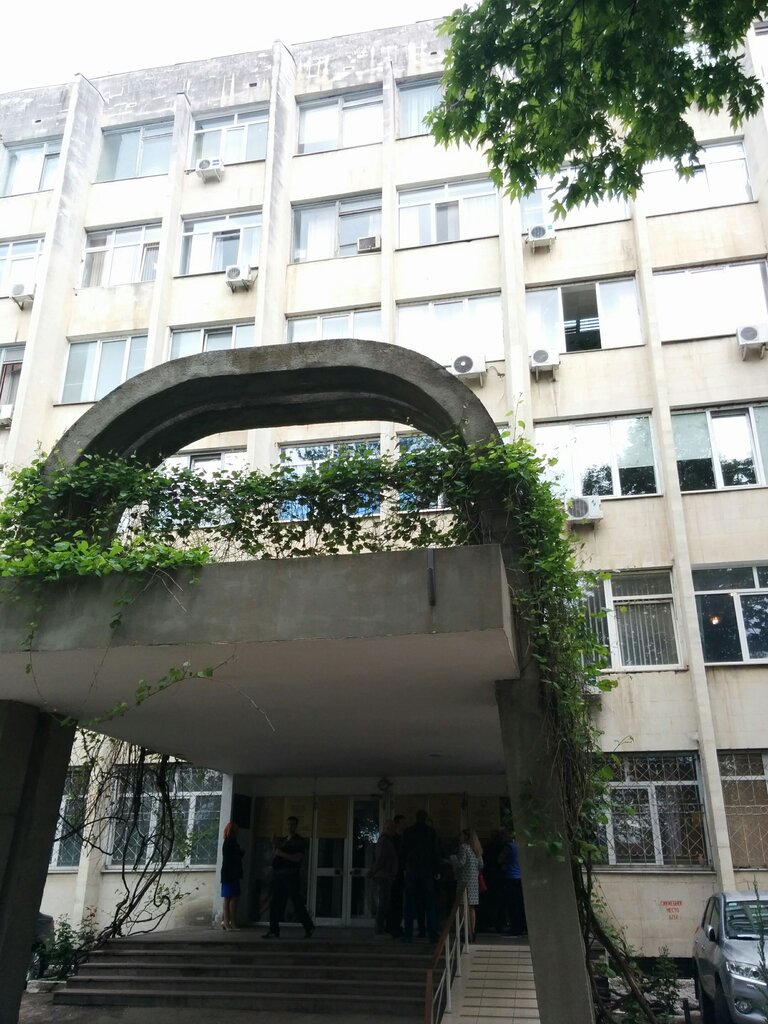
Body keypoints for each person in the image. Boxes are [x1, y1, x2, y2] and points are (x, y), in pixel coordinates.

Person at [263, 816, 315, 939]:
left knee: (296, 903)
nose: (289, 827)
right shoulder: (283, 840)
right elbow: (276, 855)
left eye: (292, 824)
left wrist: (281, 853)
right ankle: (273, 929)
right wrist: (273, 844)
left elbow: (297, 858)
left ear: (296, 826)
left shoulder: (299, 841)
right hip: (279, 876)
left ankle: (309, 927)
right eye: (288, 824)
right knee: (275, 903)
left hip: (291, 876)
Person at [400, 809, 441, 943]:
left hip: (411, 871)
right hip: (427, 871)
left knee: (409, 904)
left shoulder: (408, 832)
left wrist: (403, 868)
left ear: (416, 818)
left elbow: (402, 852)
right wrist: (437, 870)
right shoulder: (431, 832)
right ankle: (432, 934)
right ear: (426, 818)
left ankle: (408, 934)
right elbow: (435, 852)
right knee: (430, 904)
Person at [368, 819, 399, 936]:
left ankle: (380, 929)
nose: (395, 831)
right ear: (389, 829)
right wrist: (373, 871)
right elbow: (380, 859)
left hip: (385, 876)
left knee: (384, 904)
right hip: (383, 877)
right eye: (393, 828)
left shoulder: (386, 841)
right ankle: (379, 930)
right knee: (383, 904)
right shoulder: (384, 841)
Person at [455, 829, 484, 940]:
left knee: (462, 906)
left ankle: (465, 932)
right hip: (474, 882)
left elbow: (461, 863)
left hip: (464, 881)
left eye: (461, 835)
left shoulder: (463, 847)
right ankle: (472, 931)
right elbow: (481, 865)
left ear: (466, 837)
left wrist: (452, 860)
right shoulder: (477, 849)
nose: (460, 837)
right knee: (472, 907)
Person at [499, 830, 527, 936]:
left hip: (510, 877)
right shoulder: (522, 846)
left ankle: (515, 927)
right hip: (520, 877)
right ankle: (522, 926)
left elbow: (499, 859)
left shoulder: (509, 847)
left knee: (512, 904)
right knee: (519, 903)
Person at [220, 821, 244, 931]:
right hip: (231, 874)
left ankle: (227, 922)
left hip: (228, 873)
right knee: (232, 898)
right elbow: (234, 858)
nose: (238, 832)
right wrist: (240, 853)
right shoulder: (231, 842)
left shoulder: (228, 842)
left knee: (228, 898)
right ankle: (230, 922)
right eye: (236, 830)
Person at [386, 814, 406, 937]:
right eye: (402, 822)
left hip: (399, 874)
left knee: (397, 901)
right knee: (394, 901)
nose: (404, 825)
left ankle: (395, 926)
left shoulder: (401, 838)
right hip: (394, 874)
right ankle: (392, 926)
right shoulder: (393, 839)